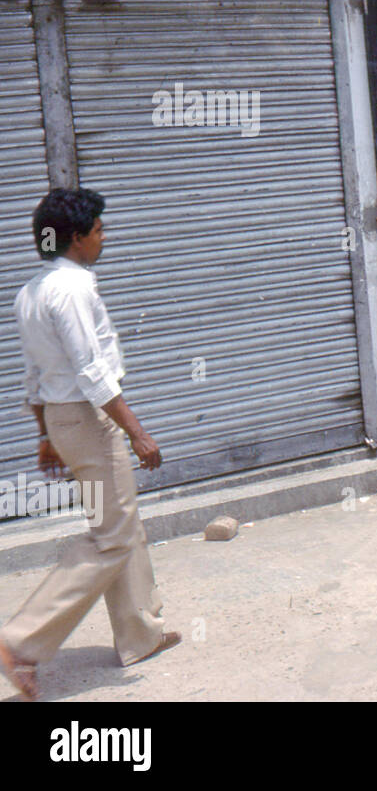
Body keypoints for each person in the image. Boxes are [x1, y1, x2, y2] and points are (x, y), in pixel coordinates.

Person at [0, 189, 180, 702]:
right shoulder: (73, 289)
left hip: (63, 422)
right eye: (99, 230)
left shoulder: (31, 293)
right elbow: (91, 370)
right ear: (76, 238)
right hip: (88, 420)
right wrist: (136, 431)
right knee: (112, 537)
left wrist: (45, 435)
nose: (104, 238)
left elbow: (35, 376)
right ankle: (21, 642)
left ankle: (140, 634)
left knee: (120, 522)